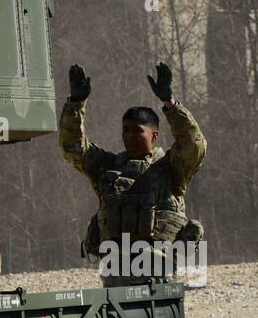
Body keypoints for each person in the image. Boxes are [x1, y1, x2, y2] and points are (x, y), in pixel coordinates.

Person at [59, 62, 206, 288]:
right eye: (125, 129)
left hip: (156, 274)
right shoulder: (107, 167)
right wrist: (76, 103)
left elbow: (193, 144)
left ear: (154, 135)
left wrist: (170, 103)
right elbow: (72, 147)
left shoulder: (170, 168)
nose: (129, 136)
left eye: (137, 130)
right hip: (114, 275)